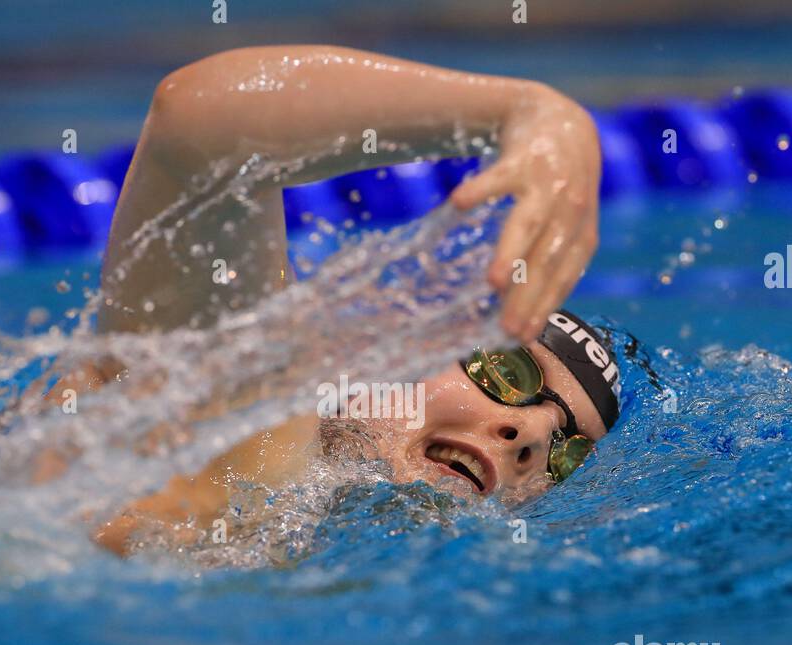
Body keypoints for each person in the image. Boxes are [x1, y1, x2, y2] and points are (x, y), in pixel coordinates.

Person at [56, 46, 620, 555]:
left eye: (569, 451)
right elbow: (201, 133)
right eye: (508, 369)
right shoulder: (242, 423)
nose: (535, 436)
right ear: (403, 339)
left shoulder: (328, 553)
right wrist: (526, 112)